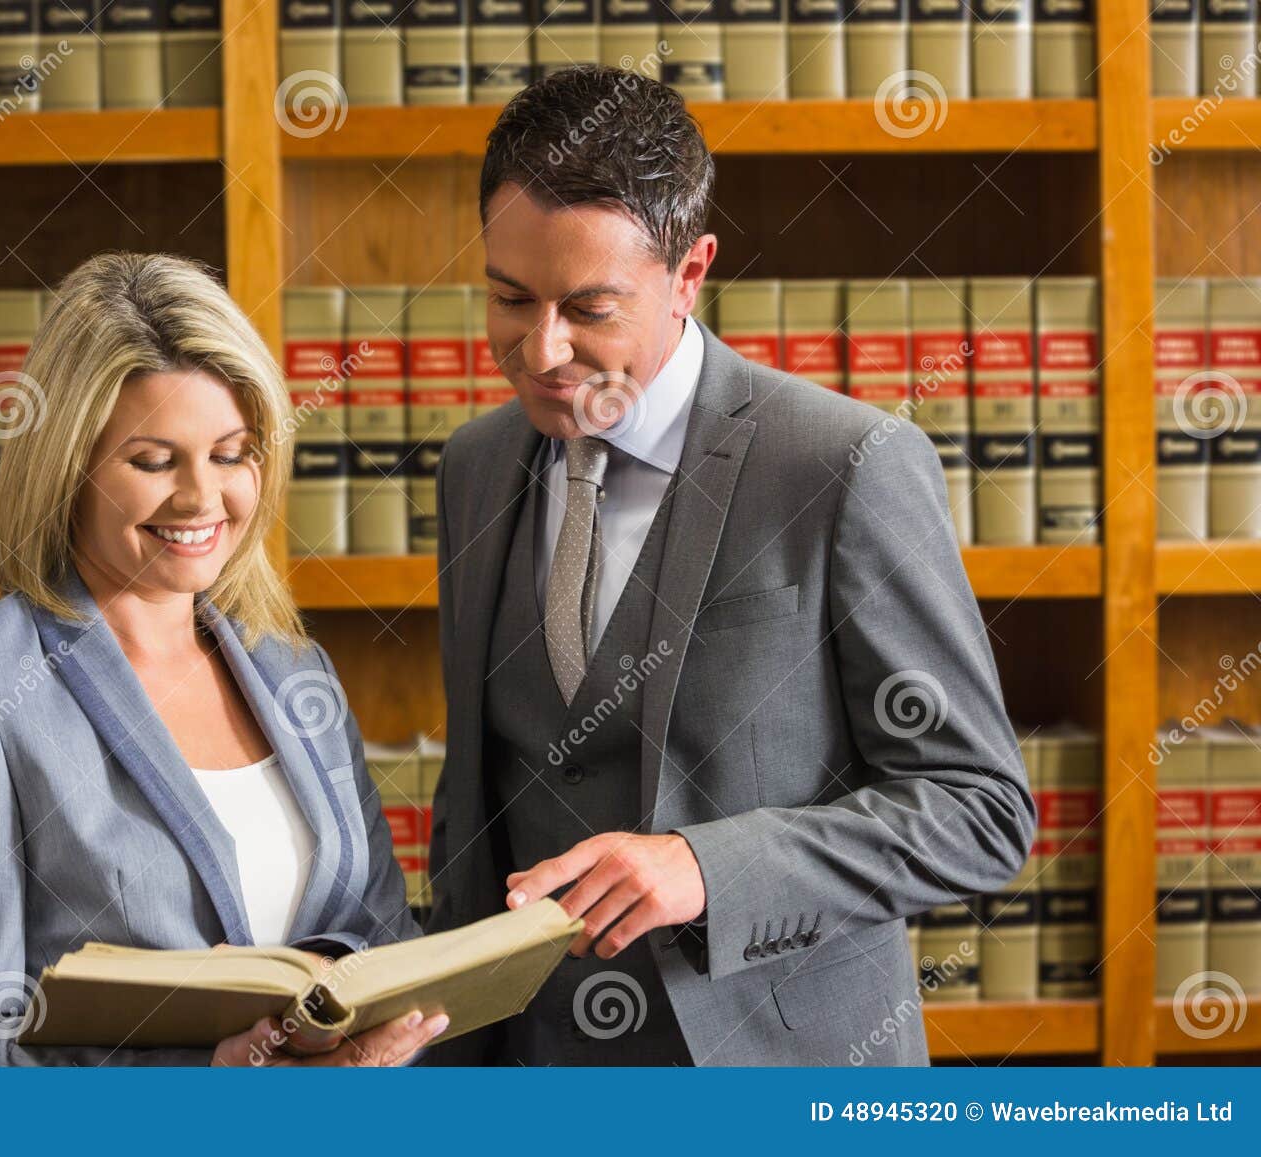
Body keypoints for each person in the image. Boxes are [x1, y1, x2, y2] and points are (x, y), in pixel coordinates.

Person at [424, 66, 1036, 1065]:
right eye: (508, 296)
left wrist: (709, 869)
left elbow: (978, 808)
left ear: (690, 273)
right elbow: (477, 794)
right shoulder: (473, 466)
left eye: (589, 308)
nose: (541, 350)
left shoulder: (843, 464)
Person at [0, 252, 444, 1066]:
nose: (202, 498)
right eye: (153, 460)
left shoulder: (295, 670)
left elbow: (383, 944)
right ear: (68, 466)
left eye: (231, 452)